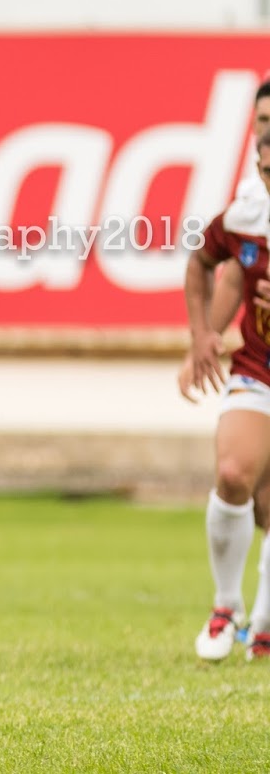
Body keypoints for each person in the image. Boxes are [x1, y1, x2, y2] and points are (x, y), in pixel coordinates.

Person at [180, 128, 270, 662]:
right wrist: (201, 336)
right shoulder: (247, 214)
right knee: (234, 473)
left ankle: (264, 622)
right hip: (259, 369)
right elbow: (202, 261)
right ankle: (226, 605)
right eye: (267, 169)